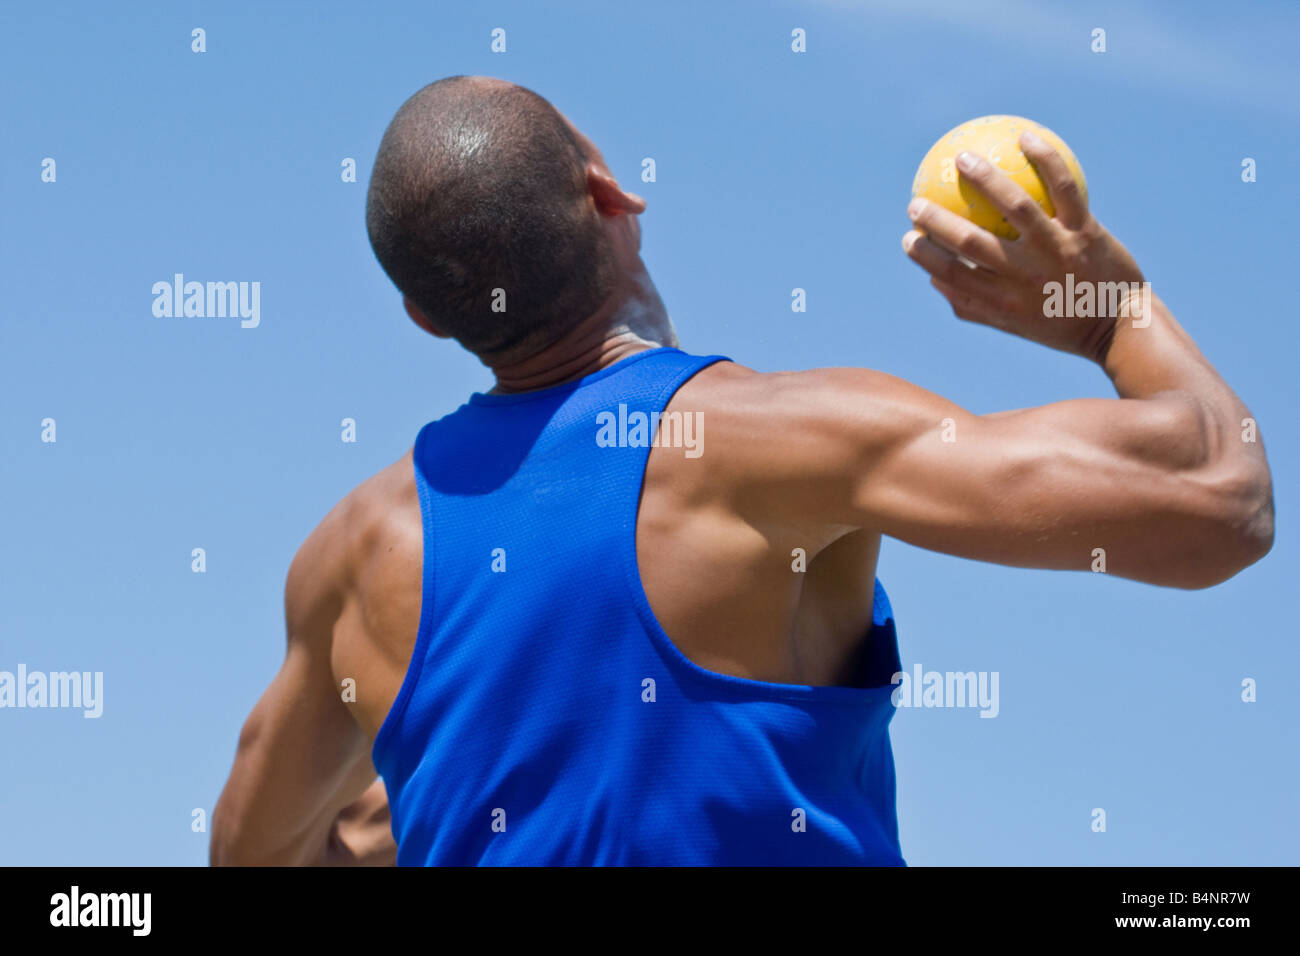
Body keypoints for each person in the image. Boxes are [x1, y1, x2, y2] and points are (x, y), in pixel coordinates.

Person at [210, 76, 1273, 866]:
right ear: (611, 195)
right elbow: (1220, 498)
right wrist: (1110, 311)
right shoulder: (778, 439)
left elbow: (251, 851)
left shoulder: (353, 557)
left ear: (423, 315)